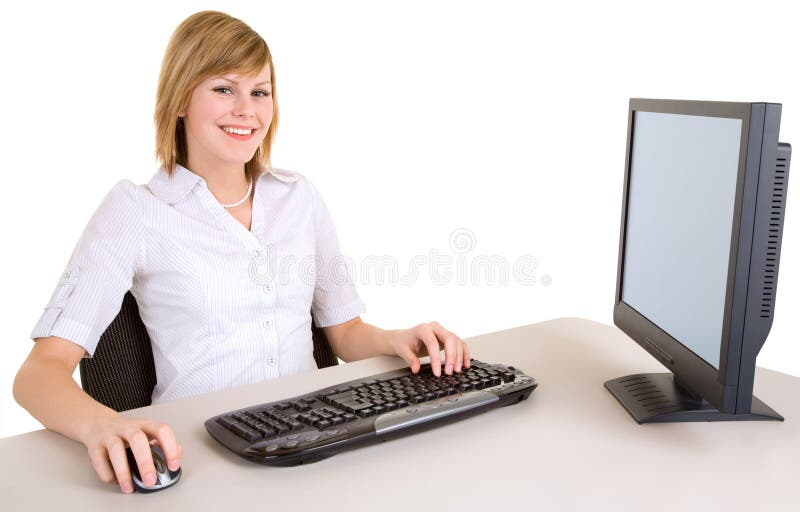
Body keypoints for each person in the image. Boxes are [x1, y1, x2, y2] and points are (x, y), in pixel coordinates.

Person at [13, 11, 470, 494]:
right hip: (205, 452)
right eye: (224, 89)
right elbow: (38, 374)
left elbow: (344, 333)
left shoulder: (299, 197)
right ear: (180, 99)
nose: (247, 109)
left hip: (319, 440)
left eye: (260, 91)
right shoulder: (138, 209)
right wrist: (101, 426)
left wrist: (400, 339)